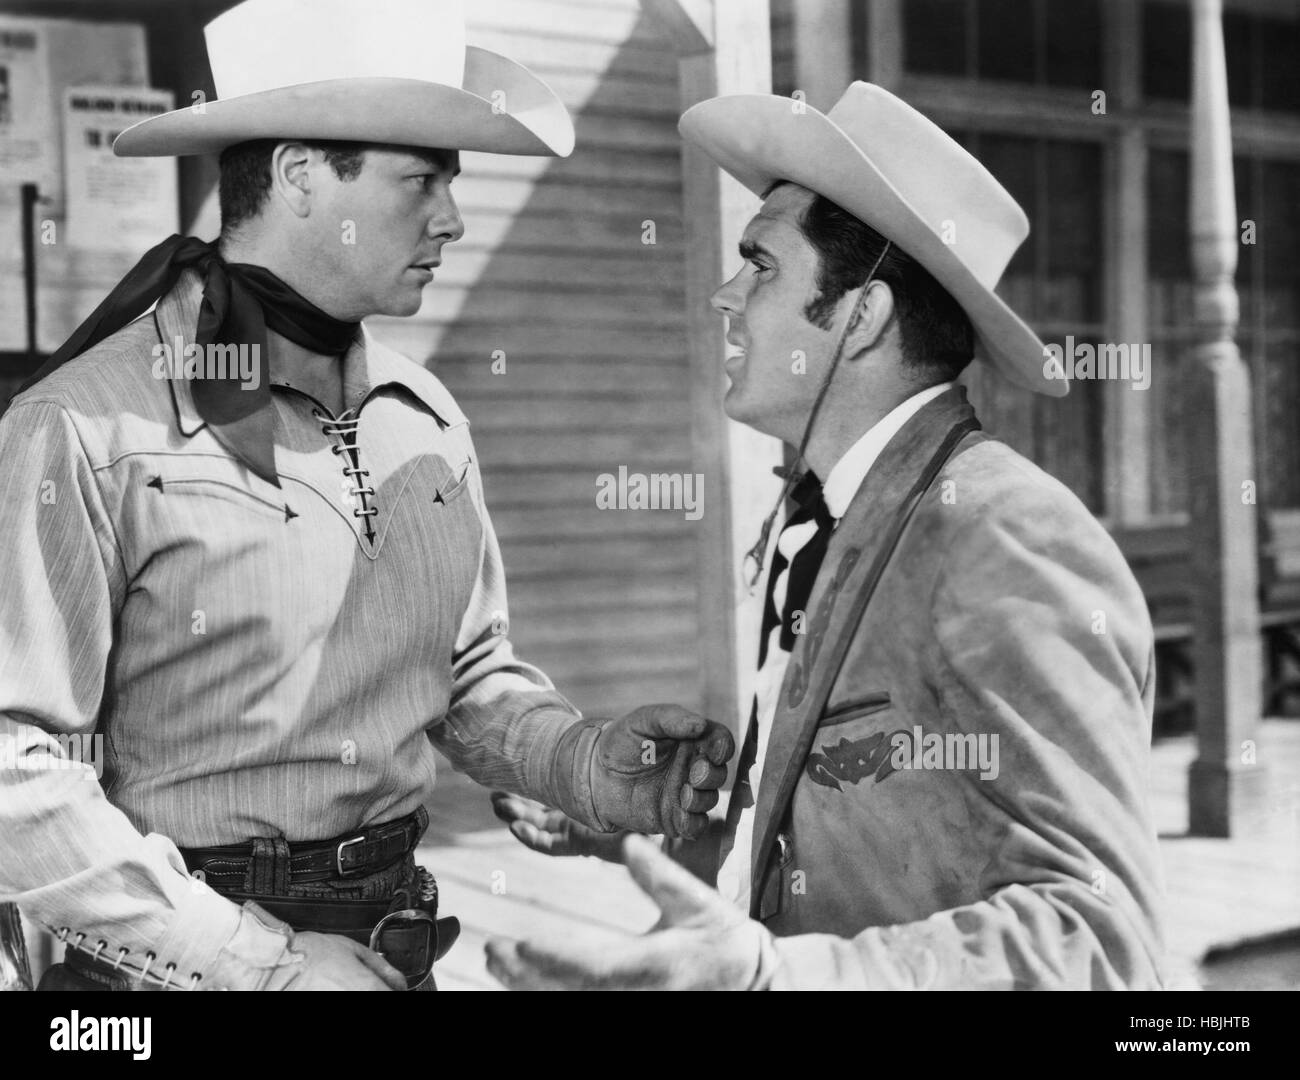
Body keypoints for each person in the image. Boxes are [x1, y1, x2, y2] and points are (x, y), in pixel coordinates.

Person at [0, 0, 731, 992]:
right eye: (420, 180)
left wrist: (582, 761)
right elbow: (15, 771)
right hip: (174, 969)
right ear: (302, 176)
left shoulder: (423, 418)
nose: (453, 218)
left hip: (390, 950)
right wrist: (259, 967)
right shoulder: (83, 429)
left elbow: (467, 681)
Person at [488, 82, 1167, 990]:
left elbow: (1098, 939)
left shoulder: (1007, 536)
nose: (724, 297)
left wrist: (770, 977)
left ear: (862, 317)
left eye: (760, 265)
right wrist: (652, 825)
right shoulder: (828, 510)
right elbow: (859, 849)